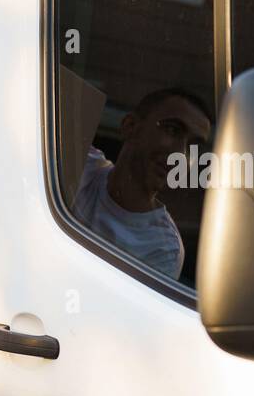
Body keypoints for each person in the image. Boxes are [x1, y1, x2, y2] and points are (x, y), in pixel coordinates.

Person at [72, 87, 213, 279]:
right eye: (172, 130)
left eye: (193, 146)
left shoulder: (163, 249)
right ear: (130, 126)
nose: (180, 155)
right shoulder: (81, 164)